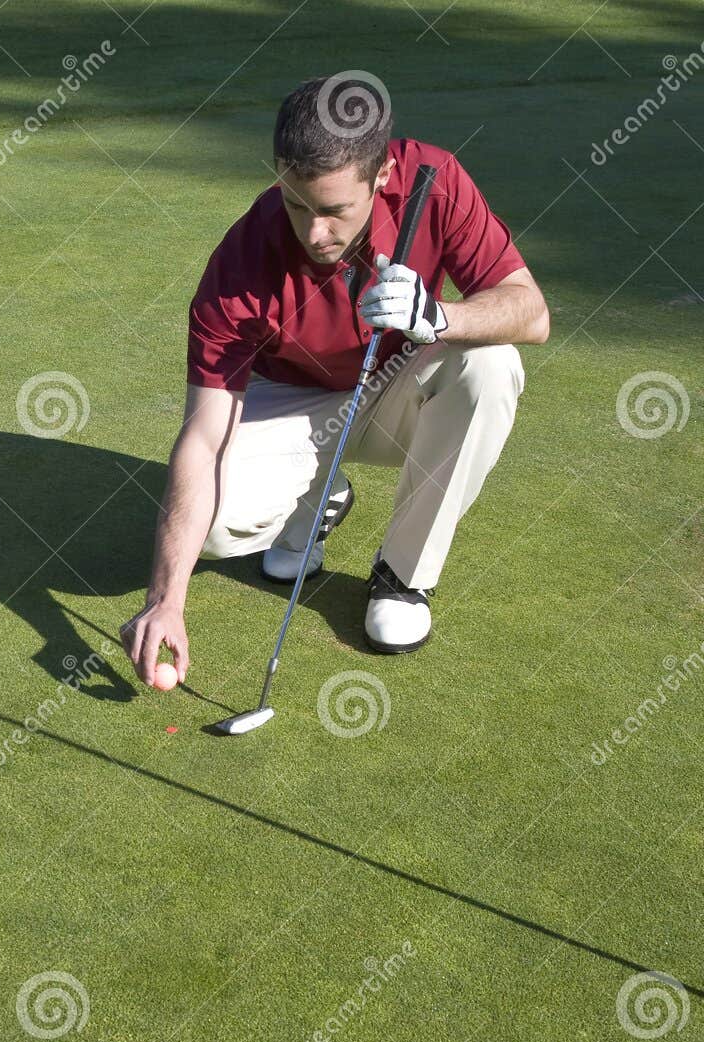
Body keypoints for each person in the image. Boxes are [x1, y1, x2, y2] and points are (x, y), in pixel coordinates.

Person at [120, 75, 549, 686]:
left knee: (490, 362)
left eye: (332, 210)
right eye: (297, 204)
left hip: (400, 382)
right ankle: (320, 493)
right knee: (214, 529)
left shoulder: (435, 180)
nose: (313, 232)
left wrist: (440, 317)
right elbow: (203, 435)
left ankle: (403, 578)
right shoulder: (243, 259)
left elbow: (530, 313)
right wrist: (167, 598)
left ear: (381, 178)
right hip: (291, 401)